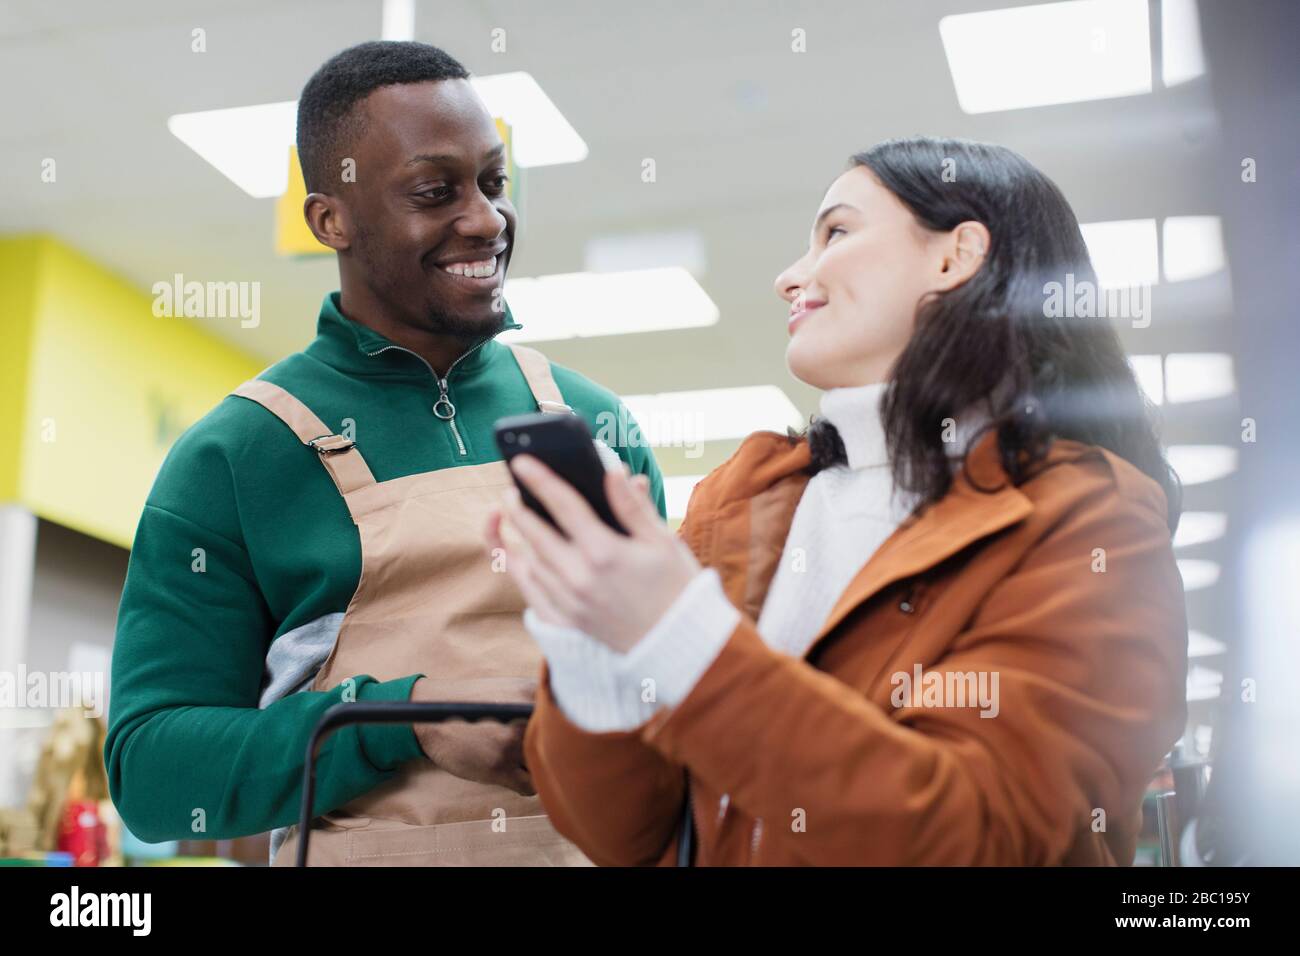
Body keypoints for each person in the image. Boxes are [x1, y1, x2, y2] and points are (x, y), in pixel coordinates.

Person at [488, 136, 1189, 866]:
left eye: (837, 232)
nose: (790, 278)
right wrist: (592, 644)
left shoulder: (1089, 521)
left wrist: (678, 636)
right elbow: (623, 836)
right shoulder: (746, 499)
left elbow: (980, 836)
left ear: (955, 256)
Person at [105, 40, 664, 866]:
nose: (484, 219)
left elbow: (679, 684)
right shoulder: (236, 455)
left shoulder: (592, 424)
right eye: (435, 192)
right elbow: (152, 771)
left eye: (494, 183)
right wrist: (405, 717)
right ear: (330, 219)